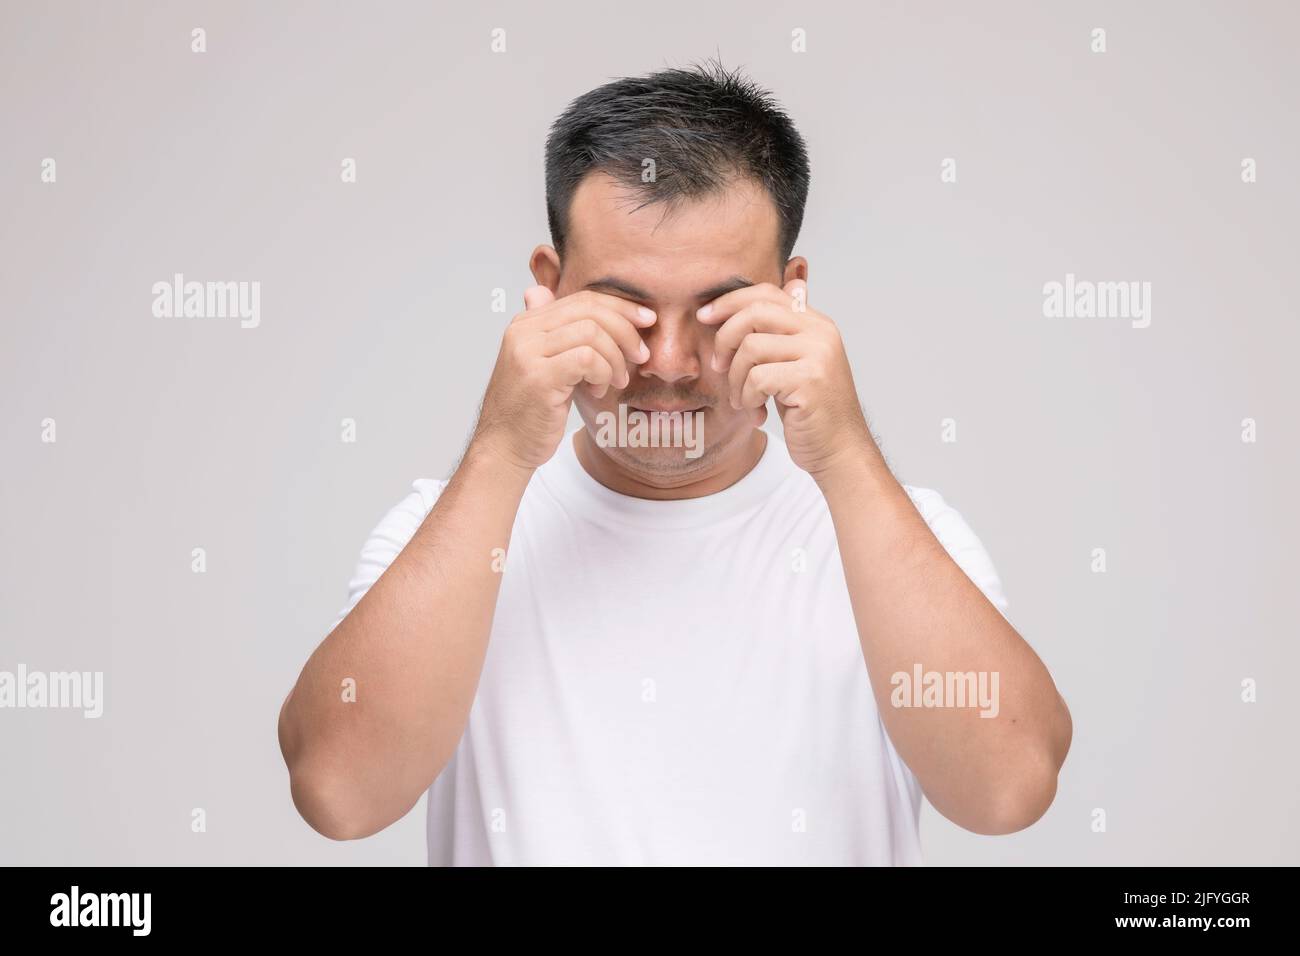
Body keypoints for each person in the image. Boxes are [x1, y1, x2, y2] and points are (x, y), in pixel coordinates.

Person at [277, 60, 1072, 865]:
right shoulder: (445, 531)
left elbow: (1008, 791)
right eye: (625, 308)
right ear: (547, 294)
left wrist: (843, 452)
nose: (667, 362)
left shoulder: (903, 536)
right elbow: (339, 794)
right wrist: (501, 448)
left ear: (792, 300)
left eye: (717, 311)